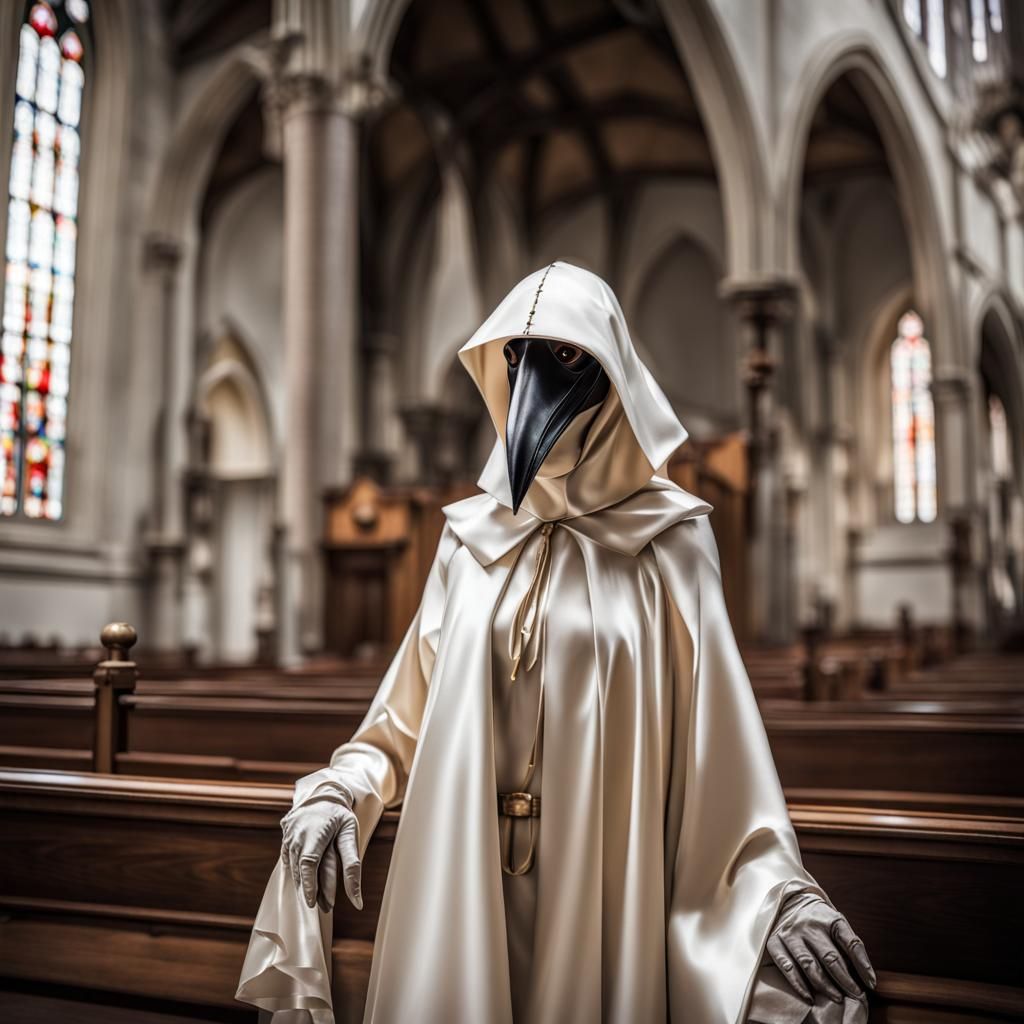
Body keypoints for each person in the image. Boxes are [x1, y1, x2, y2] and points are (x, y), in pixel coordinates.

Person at [237, 261, 875, 1023]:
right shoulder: (469, 540)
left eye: (565, 357)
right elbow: (401, 725)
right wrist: (341, 792)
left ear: (610, 375)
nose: (532, 381)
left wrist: (779, 893)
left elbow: (722, 753)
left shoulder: (672, 543)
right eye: (516, 357)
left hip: (604, 888)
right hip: (464, 886)